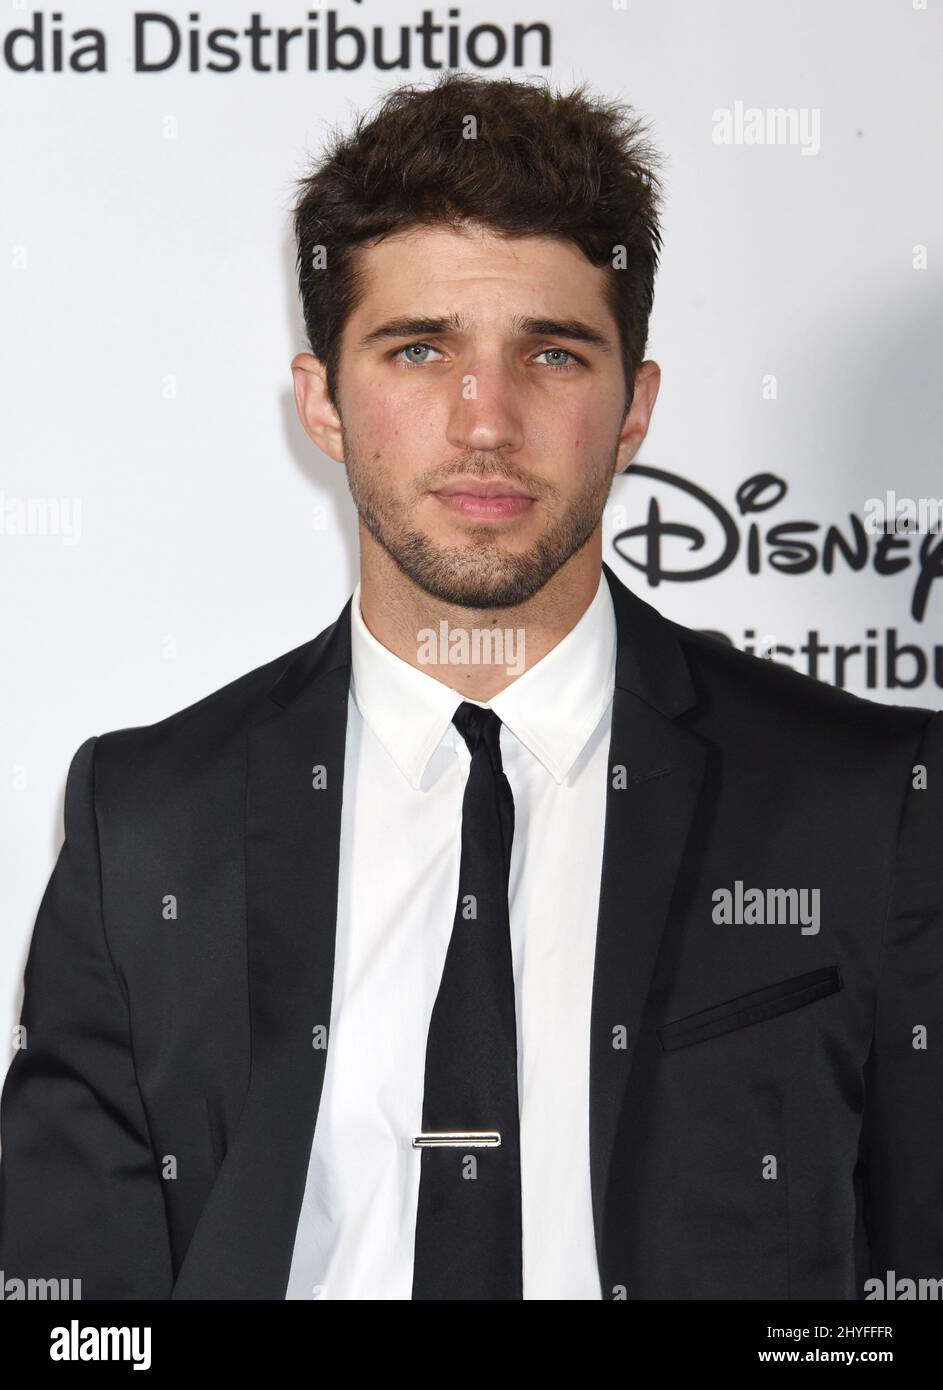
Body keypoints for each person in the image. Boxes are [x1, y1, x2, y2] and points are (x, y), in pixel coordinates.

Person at [1, 71, 940, 1302]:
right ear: (323, 405)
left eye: (551, 353)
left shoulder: (868, 801)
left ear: (634, 409)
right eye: (418, 348)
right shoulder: (149, 818)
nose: (483, 418)